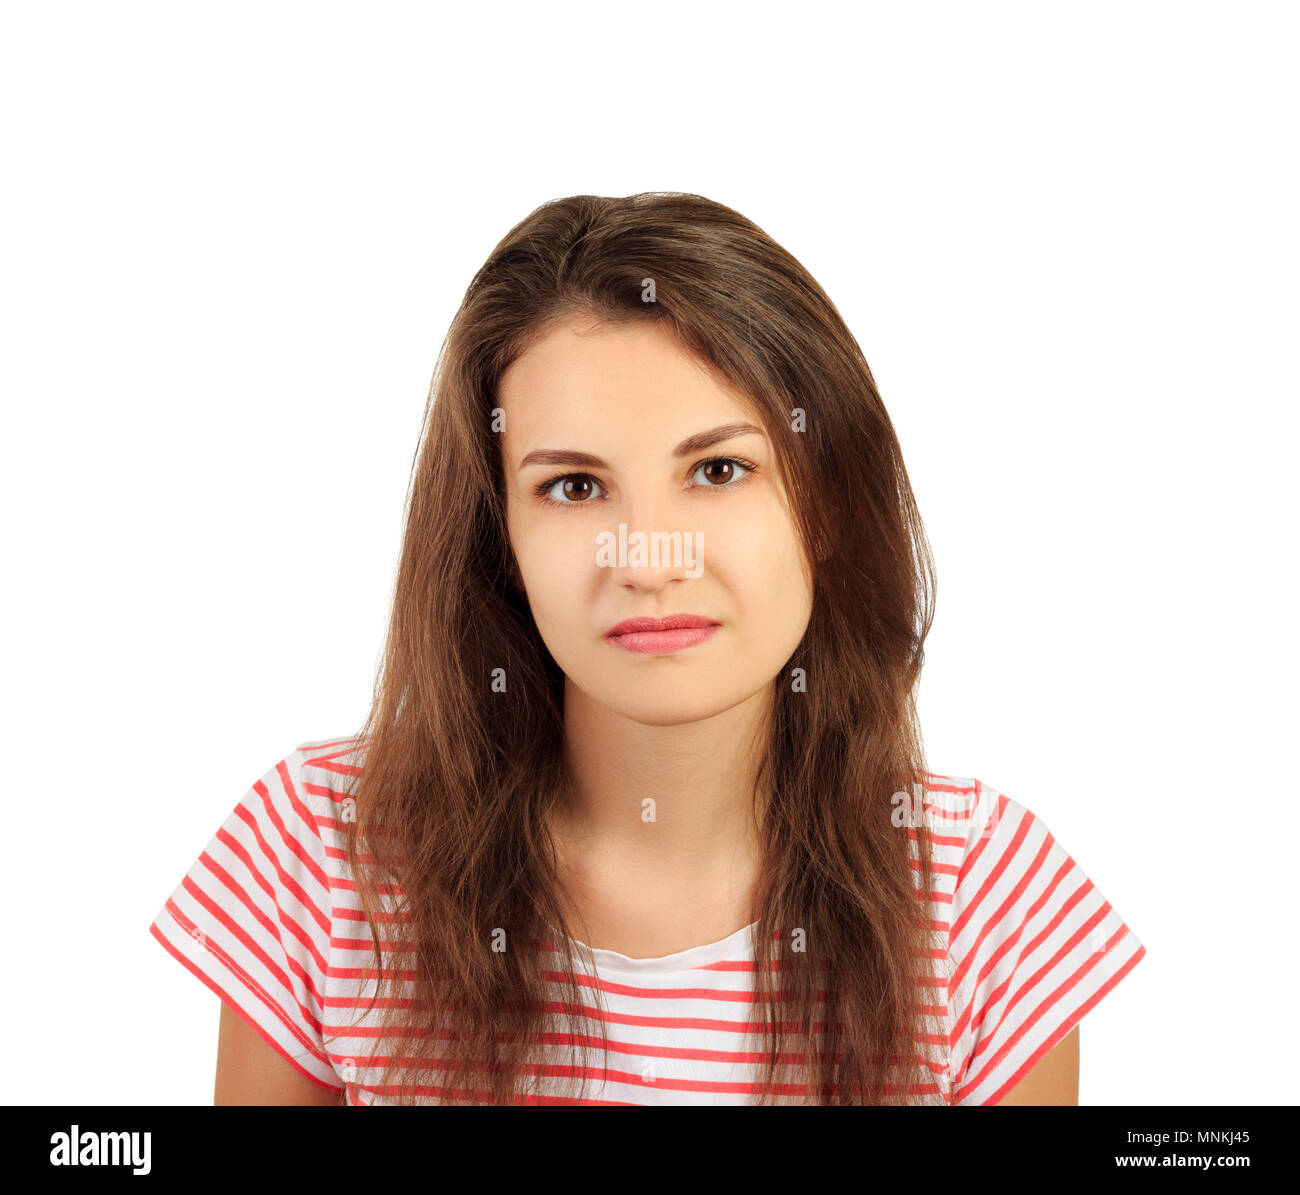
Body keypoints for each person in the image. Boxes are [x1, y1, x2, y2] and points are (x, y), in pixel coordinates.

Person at [149, 192, 1145, 1105]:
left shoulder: (986, 896)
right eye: (575, 487)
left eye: (717, 468)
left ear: (829, 504)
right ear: (502, 538)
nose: (648, 558)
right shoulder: (324, 850)